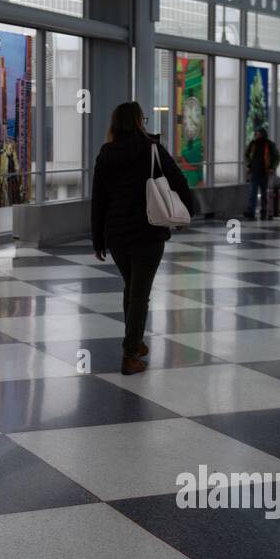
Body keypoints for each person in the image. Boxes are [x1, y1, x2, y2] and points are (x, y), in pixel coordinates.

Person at [92, 102, 196, 375]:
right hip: (148, 231)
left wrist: (98, 239)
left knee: (132, 289)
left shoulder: (106, 153)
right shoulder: (152, 149)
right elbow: (179, 181)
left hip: (116, 236)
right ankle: (130, 354)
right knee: (140, 295)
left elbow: (99, 201)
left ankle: (135, 342)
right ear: (139, 122)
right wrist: (190, 212)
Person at [243, 126, 280, 220]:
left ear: (263, 134)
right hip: (254, 172)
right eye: (256, 134)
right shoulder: (253, 144)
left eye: (259, 134)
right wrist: (248, 164)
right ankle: (250, 211)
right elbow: (246, 154)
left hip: (265, 173)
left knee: (264, 193)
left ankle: (264, 210)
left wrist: (272, 167)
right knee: (253, 192)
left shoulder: (269, 144)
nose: (257, 135)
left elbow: (277, 157)